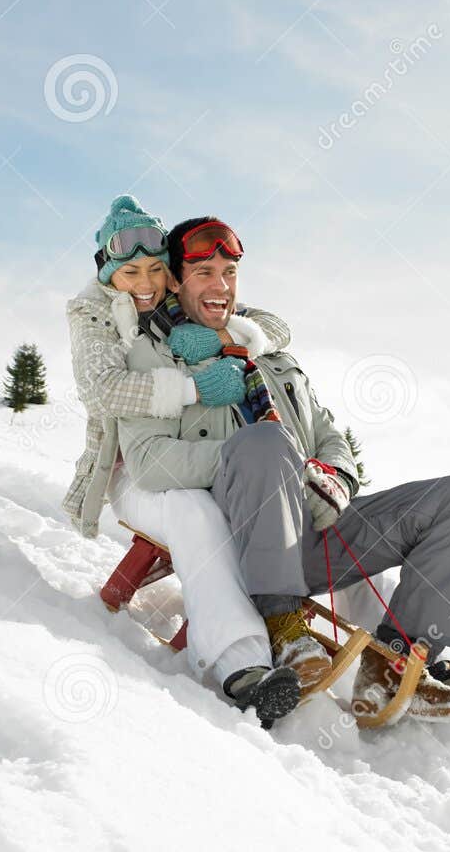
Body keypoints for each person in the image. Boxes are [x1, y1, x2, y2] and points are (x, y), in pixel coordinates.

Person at [117, 217, 450, 724]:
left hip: (314, 531)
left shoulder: (267, 353)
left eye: (229, 271)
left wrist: (334, 478)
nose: (220, 285)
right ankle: (283, 630)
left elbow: (328, 434)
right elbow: (148, 461)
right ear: (174, 279)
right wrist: (266, 461)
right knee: (267, 440)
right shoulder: (152, 354)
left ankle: (402, 662)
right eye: (203, 272)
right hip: (243, 540)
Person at [63, 196, 303, 726]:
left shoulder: (179, 313)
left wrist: (223, 333)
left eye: (155, 269)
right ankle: (239, 665)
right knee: (194, 512)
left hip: (188, 459)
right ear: (108, 273)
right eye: (130, 271)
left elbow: (274, 326)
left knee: (212, 502)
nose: (144, 282)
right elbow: (104, 391)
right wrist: (193, 387)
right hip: (131, 470)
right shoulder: (95, 315)